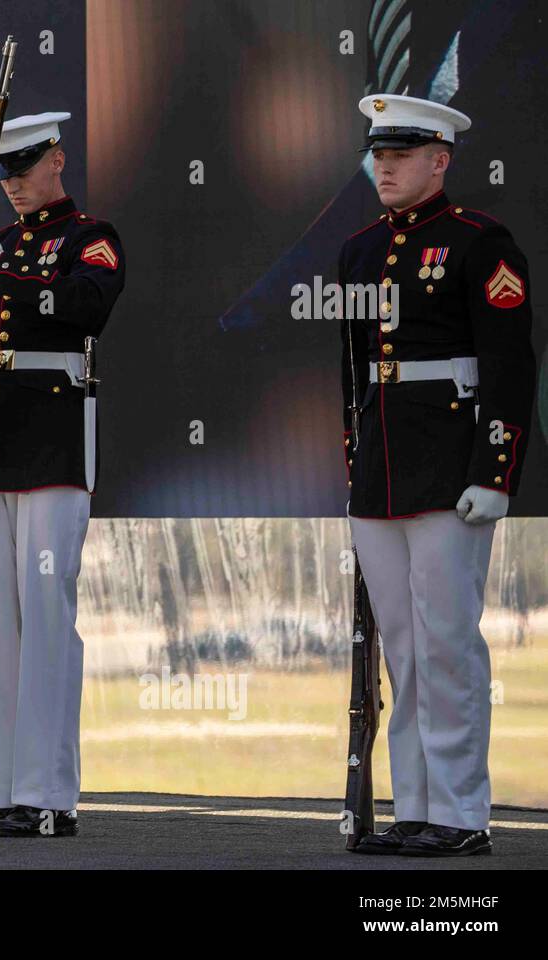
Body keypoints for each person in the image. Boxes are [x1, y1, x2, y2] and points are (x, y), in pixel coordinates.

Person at [340, 94, 536, 857]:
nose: (384, 166)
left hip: (452, 465)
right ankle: (416, 808)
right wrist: (354, 463)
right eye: (378, 155)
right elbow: (353, 374)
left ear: (440, 159)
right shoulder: (358, 250)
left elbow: (510, 365)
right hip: (383, 470)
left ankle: (462, 813)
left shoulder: (480, 244)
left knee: (449, 643)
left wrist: (496, 466)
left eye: (401, 155)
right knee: (403, 647)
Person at [0, 112, 125, 837]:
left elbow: (86, 307)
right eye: (3, 175)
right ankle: (9, 790)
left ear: (57, 161)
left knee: (47, 615)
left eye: (23, 171)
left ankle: (49, 796)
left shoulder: (88, 239)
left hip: (51, 441)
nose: (13, 186)